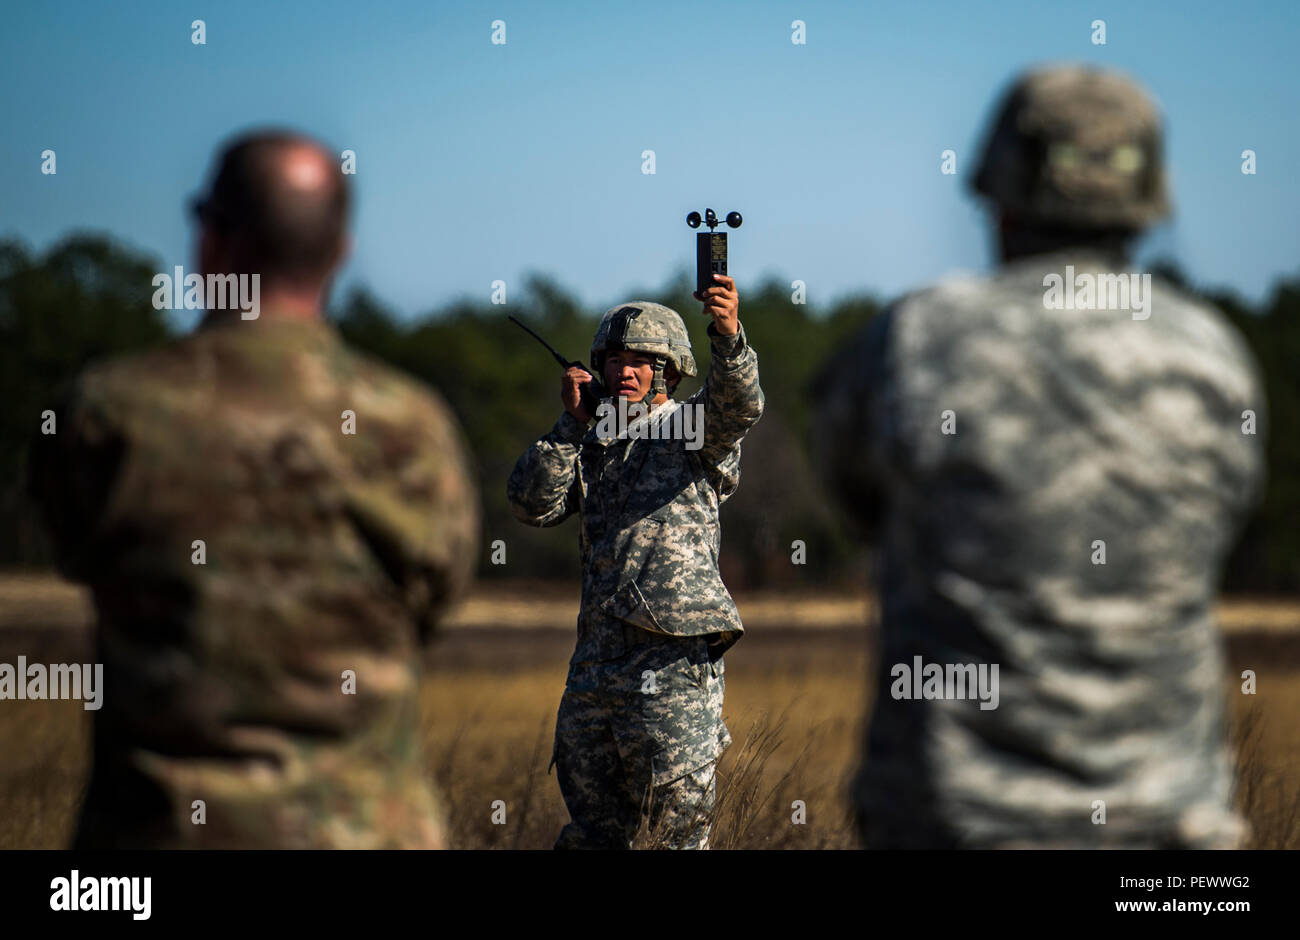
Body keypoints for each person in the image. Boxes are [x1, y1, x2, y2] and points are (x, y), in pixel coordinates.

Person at [814, 65, 1267, 848]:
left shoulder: (920, 339)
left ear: (997, 189)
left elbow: (857, 498)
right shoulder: (1215, 358)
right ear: (1148, 199)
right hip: (1172, 840)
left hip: (954, 820)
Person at [28, 129, 480, 848]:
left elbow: (72, 549)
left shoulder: (110, 412)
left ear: (210, 237)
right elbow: (434, 597)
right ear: (340, 251)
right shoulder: (410, 427)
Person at [507, 275, 763, 849]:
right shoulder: (592, 443)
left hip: (669, 659)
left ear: (669, 371)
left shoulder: (690, 430)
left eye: (642, 361)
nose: (625, 371)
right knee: (592, 833)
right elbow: (529, 504)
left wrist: (727, 335)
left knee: (679, 832)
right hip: (596, 665)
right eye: (615, 360)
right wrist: (571, 427)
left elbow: (738, 404)